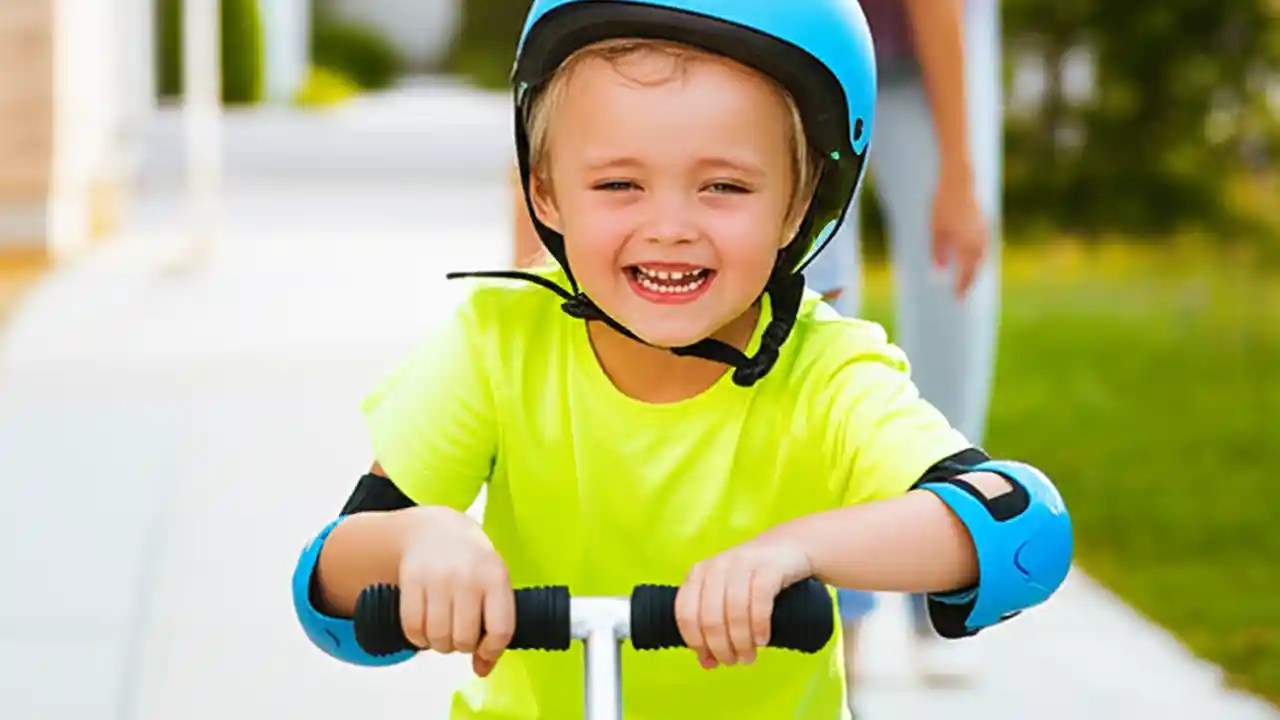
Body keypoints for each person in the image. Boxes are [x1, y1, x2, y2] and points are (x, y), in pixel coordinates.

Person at [290, 2, 1071, 719]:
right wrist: (419, 541)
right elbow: (331, 578)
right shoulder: (499, 345)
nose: (669, 227)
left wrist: (794, 552)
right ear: (547, 191)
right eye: (619, 183)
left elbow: (1014, 528)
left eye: (724, 186)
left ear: (800, 202)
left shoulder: (826, 372)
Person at [801, 0, 1004, 696]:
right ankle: (839, 608)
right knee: (814, 295)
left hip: (928, 51)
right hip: (813, 34)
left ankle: (947, 575)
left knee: (955, 283)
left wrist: (960, 177)